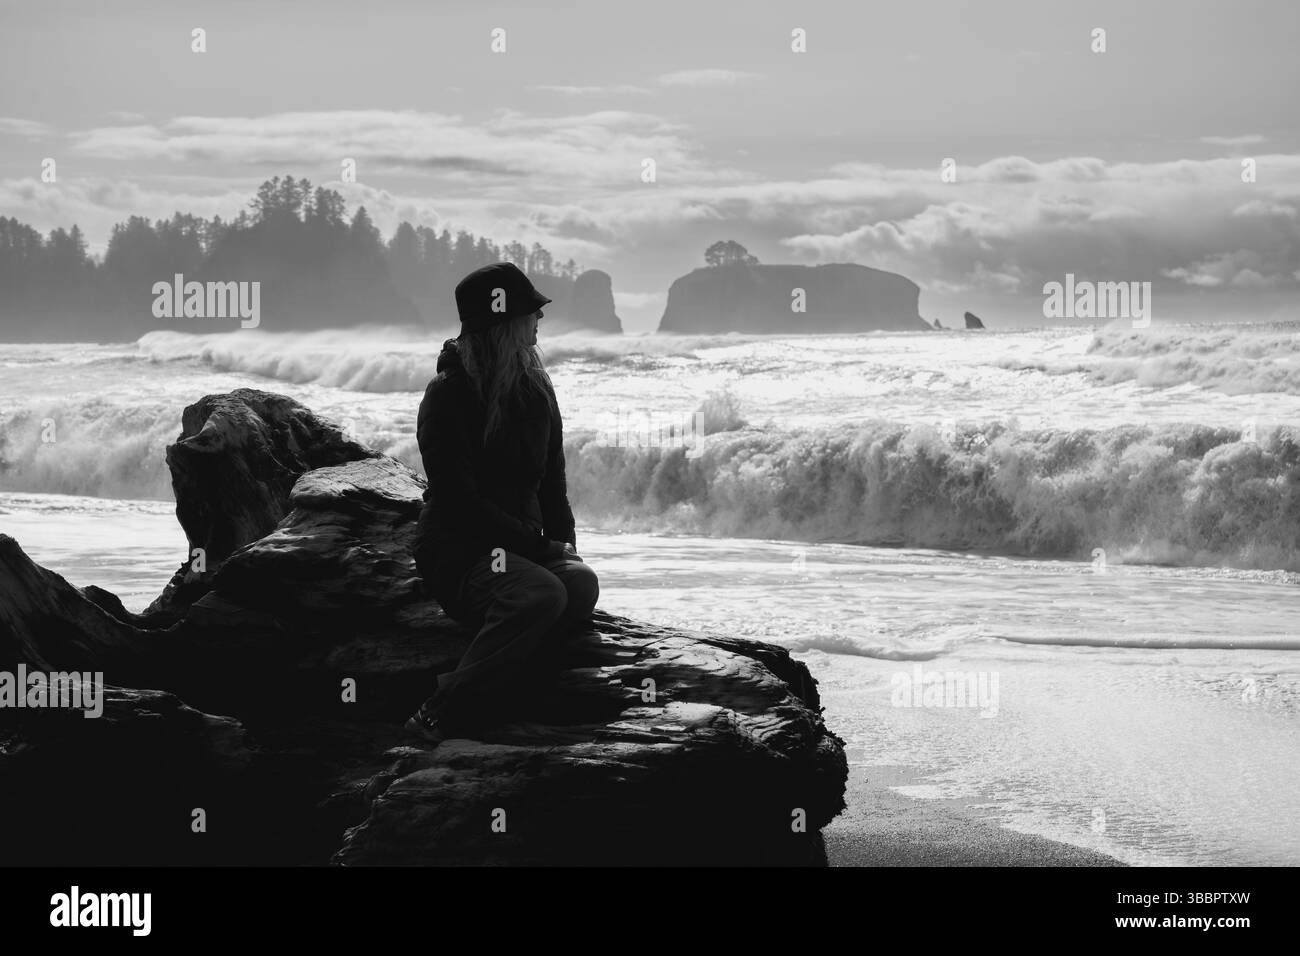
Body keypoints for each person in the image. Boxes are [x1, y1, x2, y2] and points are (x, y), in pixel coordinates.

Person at [405, 261, 599, 745]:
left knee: (578, 585)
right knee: (539, 594)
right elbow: (457, 501)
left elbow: (552, 481)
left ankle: (512, 691)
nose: (540, 321)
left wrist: (563, 545)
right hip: (461, 552)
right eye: (532, 312)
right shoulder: (449, 394)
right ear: (504, 321)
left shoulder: (535, 388)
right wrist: (535, 543)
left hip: (520, 548)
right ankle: (439, 711)